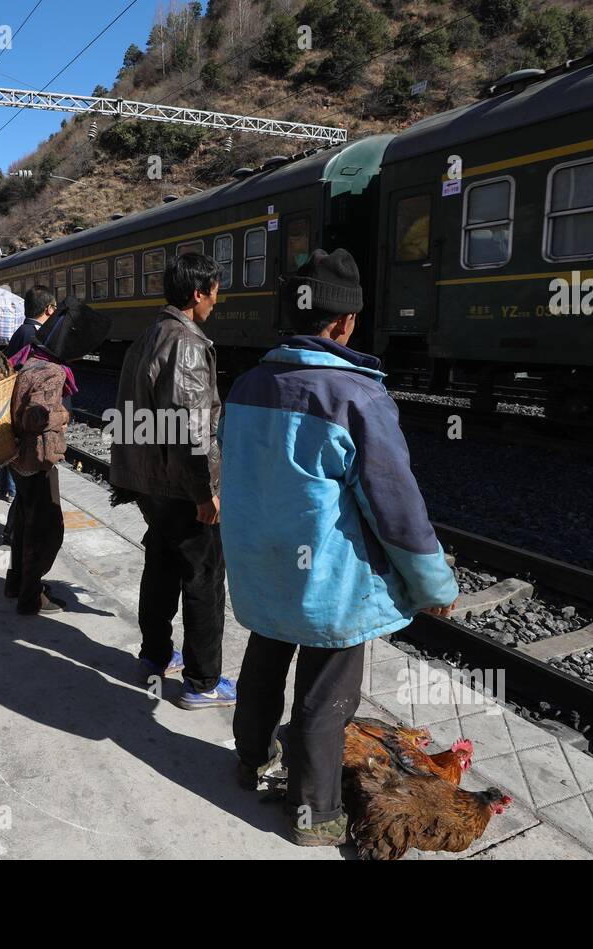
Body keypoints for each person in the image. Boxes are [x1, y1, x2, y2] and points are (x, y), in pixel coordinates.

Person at [219, 248, 459, 847]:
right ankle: (314, 817)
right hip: (329, 582)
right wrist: (433, 585)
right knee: (325, 699)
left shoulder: (248, 384)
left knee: (264, 661)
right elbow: (396, 509)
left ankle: (248, 762)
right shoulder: (357, 398)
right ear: (345, 323)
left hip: (263, 565)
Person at [109, 253, 235, 710]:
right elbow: (191, 425)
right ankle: (203, 683)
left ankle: (154, 657)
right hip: (179, 484)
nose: (216, 302)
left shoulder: (147, 336)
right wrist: (205, 492)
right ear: (198, 293)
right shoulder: (186, 342)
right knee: (203, 576)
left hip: (149, 481)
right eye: (215, 292)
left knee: (160, 565)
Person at [4, 297, 112, 615]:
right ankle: (31, 595)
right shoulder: (51, 372)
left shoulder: (30, 359)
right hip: (36, 459)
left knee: (24, 522)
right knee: (46, 528)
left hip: (17, 458)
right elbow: (33, 418)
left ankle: (17, 582)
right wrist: (61, 418)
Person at [0, 287, 57, 506]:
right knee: (19, 450)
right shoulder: (34, 336)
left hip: (12, 399)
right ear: (49, 309)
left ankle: (4, 486)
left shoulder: (22, 331)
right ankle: (11, 491)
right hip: (22, 403)